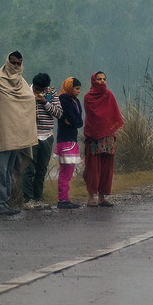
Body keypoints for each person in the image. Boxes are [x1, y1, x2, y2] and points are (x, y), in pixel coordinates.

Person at [0, 51, 37, 216]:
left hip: (17, 134)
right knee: (0, 168)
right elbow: (7, 105)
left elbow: (28, 99)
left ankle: (4, 202)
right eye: (13, 63)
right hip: (4, 133)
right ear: (8, 62)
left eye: (19, 63)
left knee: (9, 169)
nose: (16, 66)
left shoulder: (21, 81)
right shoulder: (0, 80)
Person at [82, 71, 124, 207]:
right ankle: (91, 197)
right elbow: (94, 116)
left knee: (106, 168)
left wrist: (108, 129)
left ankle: (102, 197)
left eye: (104, 79)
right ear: (94, 81)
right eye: (99, 79)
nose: (102, 81)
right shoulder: (88, 98)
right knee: (93, 168)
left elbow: (113, 115)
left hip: (108, 138)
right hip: (94, 138)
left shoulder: (109, 96)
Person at [20, 72, 62, 210]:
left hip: (47, 136)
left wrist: (45, 102)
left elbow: (59, 113)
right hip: (30, 136)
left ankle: (37, 199)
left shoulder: (51, 93)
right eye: (37, 89)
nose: (39, 92)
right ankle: (28, 199)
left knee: (41, 169)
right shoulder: (25, 90)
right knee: (28, 168)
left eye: (41, 90)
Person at [54, 77, 84, 209]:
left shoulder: (75, 101)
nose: (78, 91)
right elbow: (73, 119)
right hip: (66, 139)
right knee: (66, 171)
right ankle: (63, 199)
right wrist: (73, 121)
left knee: (68, 171)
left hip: (71, 139)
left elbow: (78, 122)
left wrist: (74, 121)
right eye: (76, 88)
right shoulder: (64, 100)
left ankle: (65, 198)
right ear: (69, 88)